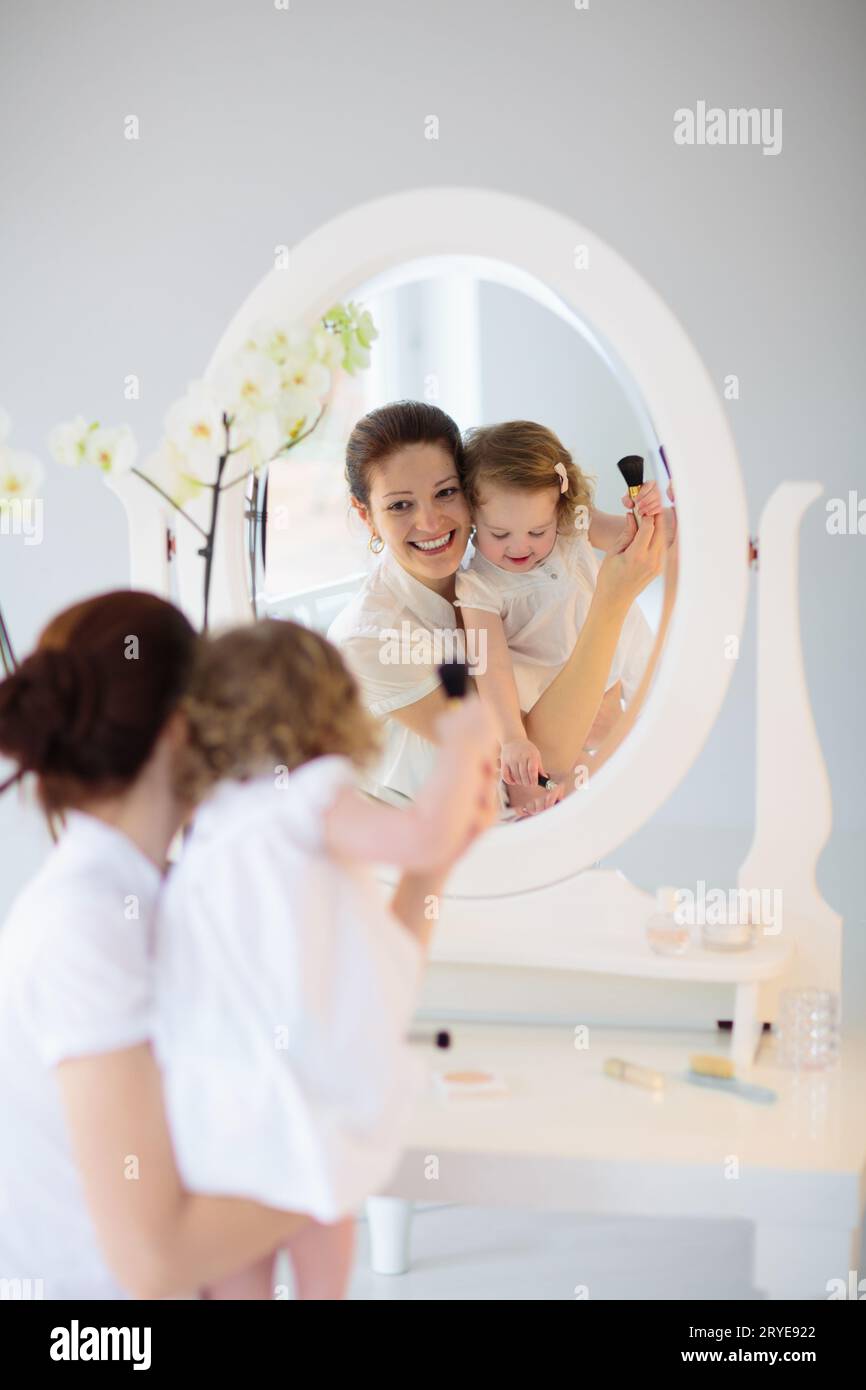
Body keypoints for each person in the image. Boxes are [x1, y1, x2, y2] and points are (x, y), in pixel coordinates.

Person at [0, 591, 491, 1298]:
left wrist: (432, 868)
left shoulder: (183, 883)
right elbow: (157, 1263)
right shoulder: (91, 922)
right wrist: (343, 1147)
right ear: (181, 727)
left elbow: (346, 1004)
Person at [157, 619, 497, 1298]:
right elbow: (422, 837)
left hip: (219, 1106)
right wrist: (465, 746)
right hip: (306, 1103)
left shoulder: (217, 819)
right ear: (329, 710)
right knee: (325, 1252)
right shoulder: (307, 792)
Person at [329, 400, 665, 808]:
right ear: (366, 515)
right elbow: (542, 760)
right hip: (457, 855)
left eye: (446, 492)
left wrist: (653, 518)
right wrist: (612, 602)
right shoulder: (370, 639)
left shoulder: (513, 559)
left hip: (549, 822)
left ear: (471, 492)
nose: (431, 522)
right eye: (400, 505)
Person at [455, 420, 667, 789]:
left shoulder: (574, 526)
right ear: (473, 516)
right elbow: (491, 668)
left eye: (538, 532)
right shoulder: (478, 586)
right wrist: (512, 738)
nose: (520, 548)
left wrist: (649, 515)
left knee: (654, 725)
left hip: (617, 656)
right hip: (555, 699)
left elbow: (637, 539)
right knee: (572, 775)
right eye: (499, 534)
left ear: (562, 507)